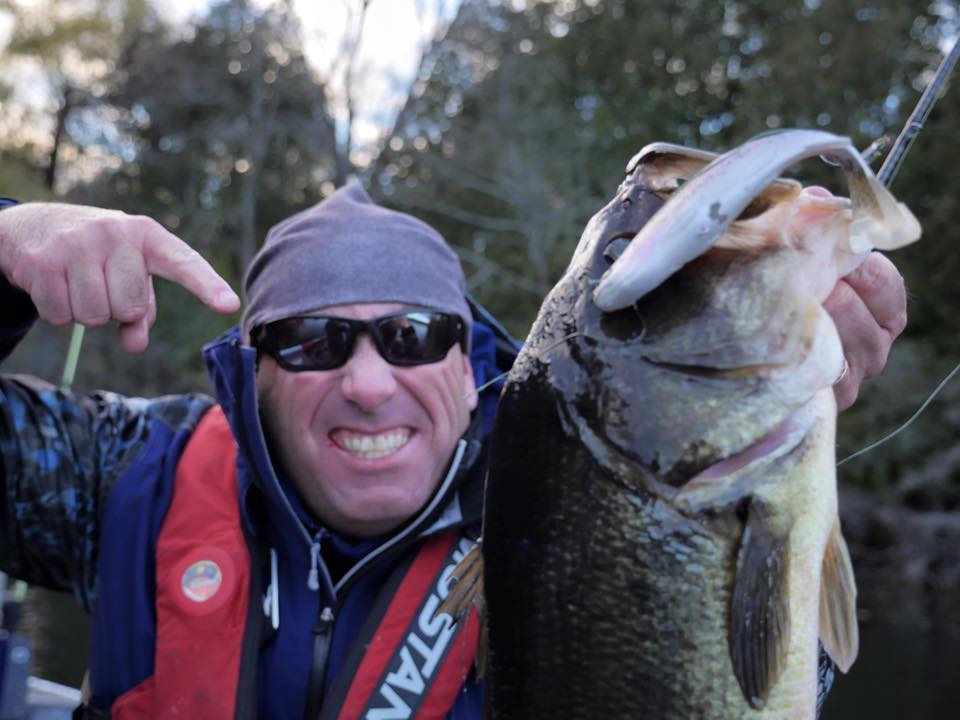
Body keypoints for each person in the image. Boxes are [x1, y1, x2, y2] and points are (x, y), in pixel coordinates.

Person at [0, 184, 906, 719]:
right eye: (310, 340)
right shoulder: (126, 474)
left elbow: (764, 663)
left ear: (470, 364)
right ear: (253, 372)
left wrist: (774, 393)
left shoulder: (573, 505)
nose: (365, 382)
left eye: (411, 334)